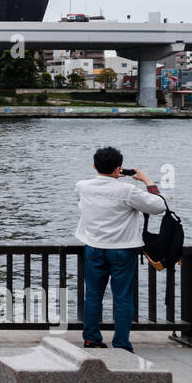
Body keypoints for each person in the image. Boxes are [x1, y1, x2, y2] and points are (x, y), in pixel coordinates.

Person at [75, 146, 166, 352]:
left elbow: (83, 199)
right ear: (119, 169)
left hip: (94, 247)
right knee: (122, 297)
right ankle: (121, 344)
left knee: (93, 295)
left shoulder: (82, 186)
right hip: (123, 250)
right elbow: (159, 206)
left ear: (94, 166)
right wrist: (147, 181)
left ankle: (91, 339)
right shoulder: (128, 191)